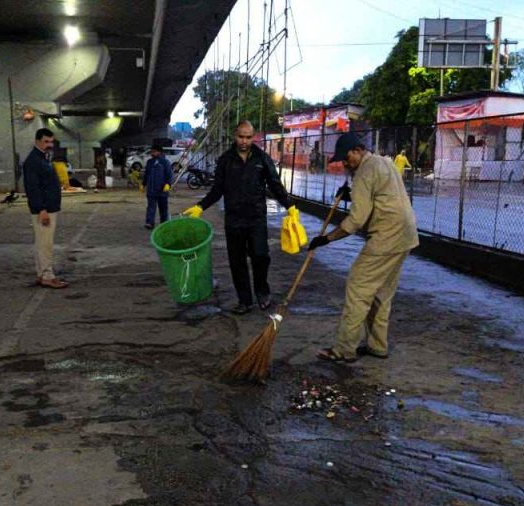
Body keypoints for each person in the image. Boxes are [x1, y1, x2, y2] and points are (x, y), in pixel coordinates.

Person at [306, 132, 419, 363]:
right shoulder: (384, 162)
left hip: (386, 237)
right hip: (406, 236)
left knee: (358, 287)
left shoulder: (364, 173)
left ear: (358, 150)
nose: (346, 164)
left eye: (347, 158)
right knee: (381, 293)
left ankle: (343, 350)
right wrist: (351, 196)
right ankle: (377, 346)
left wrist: (327, 238)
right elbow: (381, 195)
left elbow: (356, 221)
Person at [182, 120, 294, 314]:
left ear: (253, 137)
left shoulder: (262, 158)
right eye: (241, 136)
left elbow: (275, 184)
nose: (244, 141)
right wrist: (200, 207)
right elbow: (217, 190)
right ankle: (245, 301)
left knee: (261, 256)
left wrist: (290, 206)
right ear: (235, 136)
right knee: (237, 261)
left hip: (256, 218)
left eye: (248, 137)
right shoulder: (226, 160)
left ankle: (262, 290)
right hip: (233, 220)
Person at [23, 128, 68, 289]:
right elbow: (32, 188)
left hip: (48, 207)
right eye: (46, 142)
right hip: (44, 209)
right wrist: (41, 209)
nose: (49, 145)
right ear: (37, 142)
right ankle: (47, 275)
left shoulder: (42, 158)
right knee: (45, 243)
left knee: (41, 242)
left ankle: (42, 273)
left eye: (51, 142)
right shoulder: (34, 161)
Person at [144, 144, 174, 229]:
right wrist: (143, 184)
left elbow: (169, 174)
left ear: (159, 152)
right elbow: (147, 174)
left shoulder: (165, 162)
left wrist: (168, 184)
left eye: (154, 151)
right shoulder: (150, 162)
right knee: (151, 207)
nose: (152, 153)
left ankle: (164, 223)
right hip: (151, 189)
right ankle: (149, 222)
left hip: (162, 190)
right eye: (151, 151)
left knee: (163, 208)